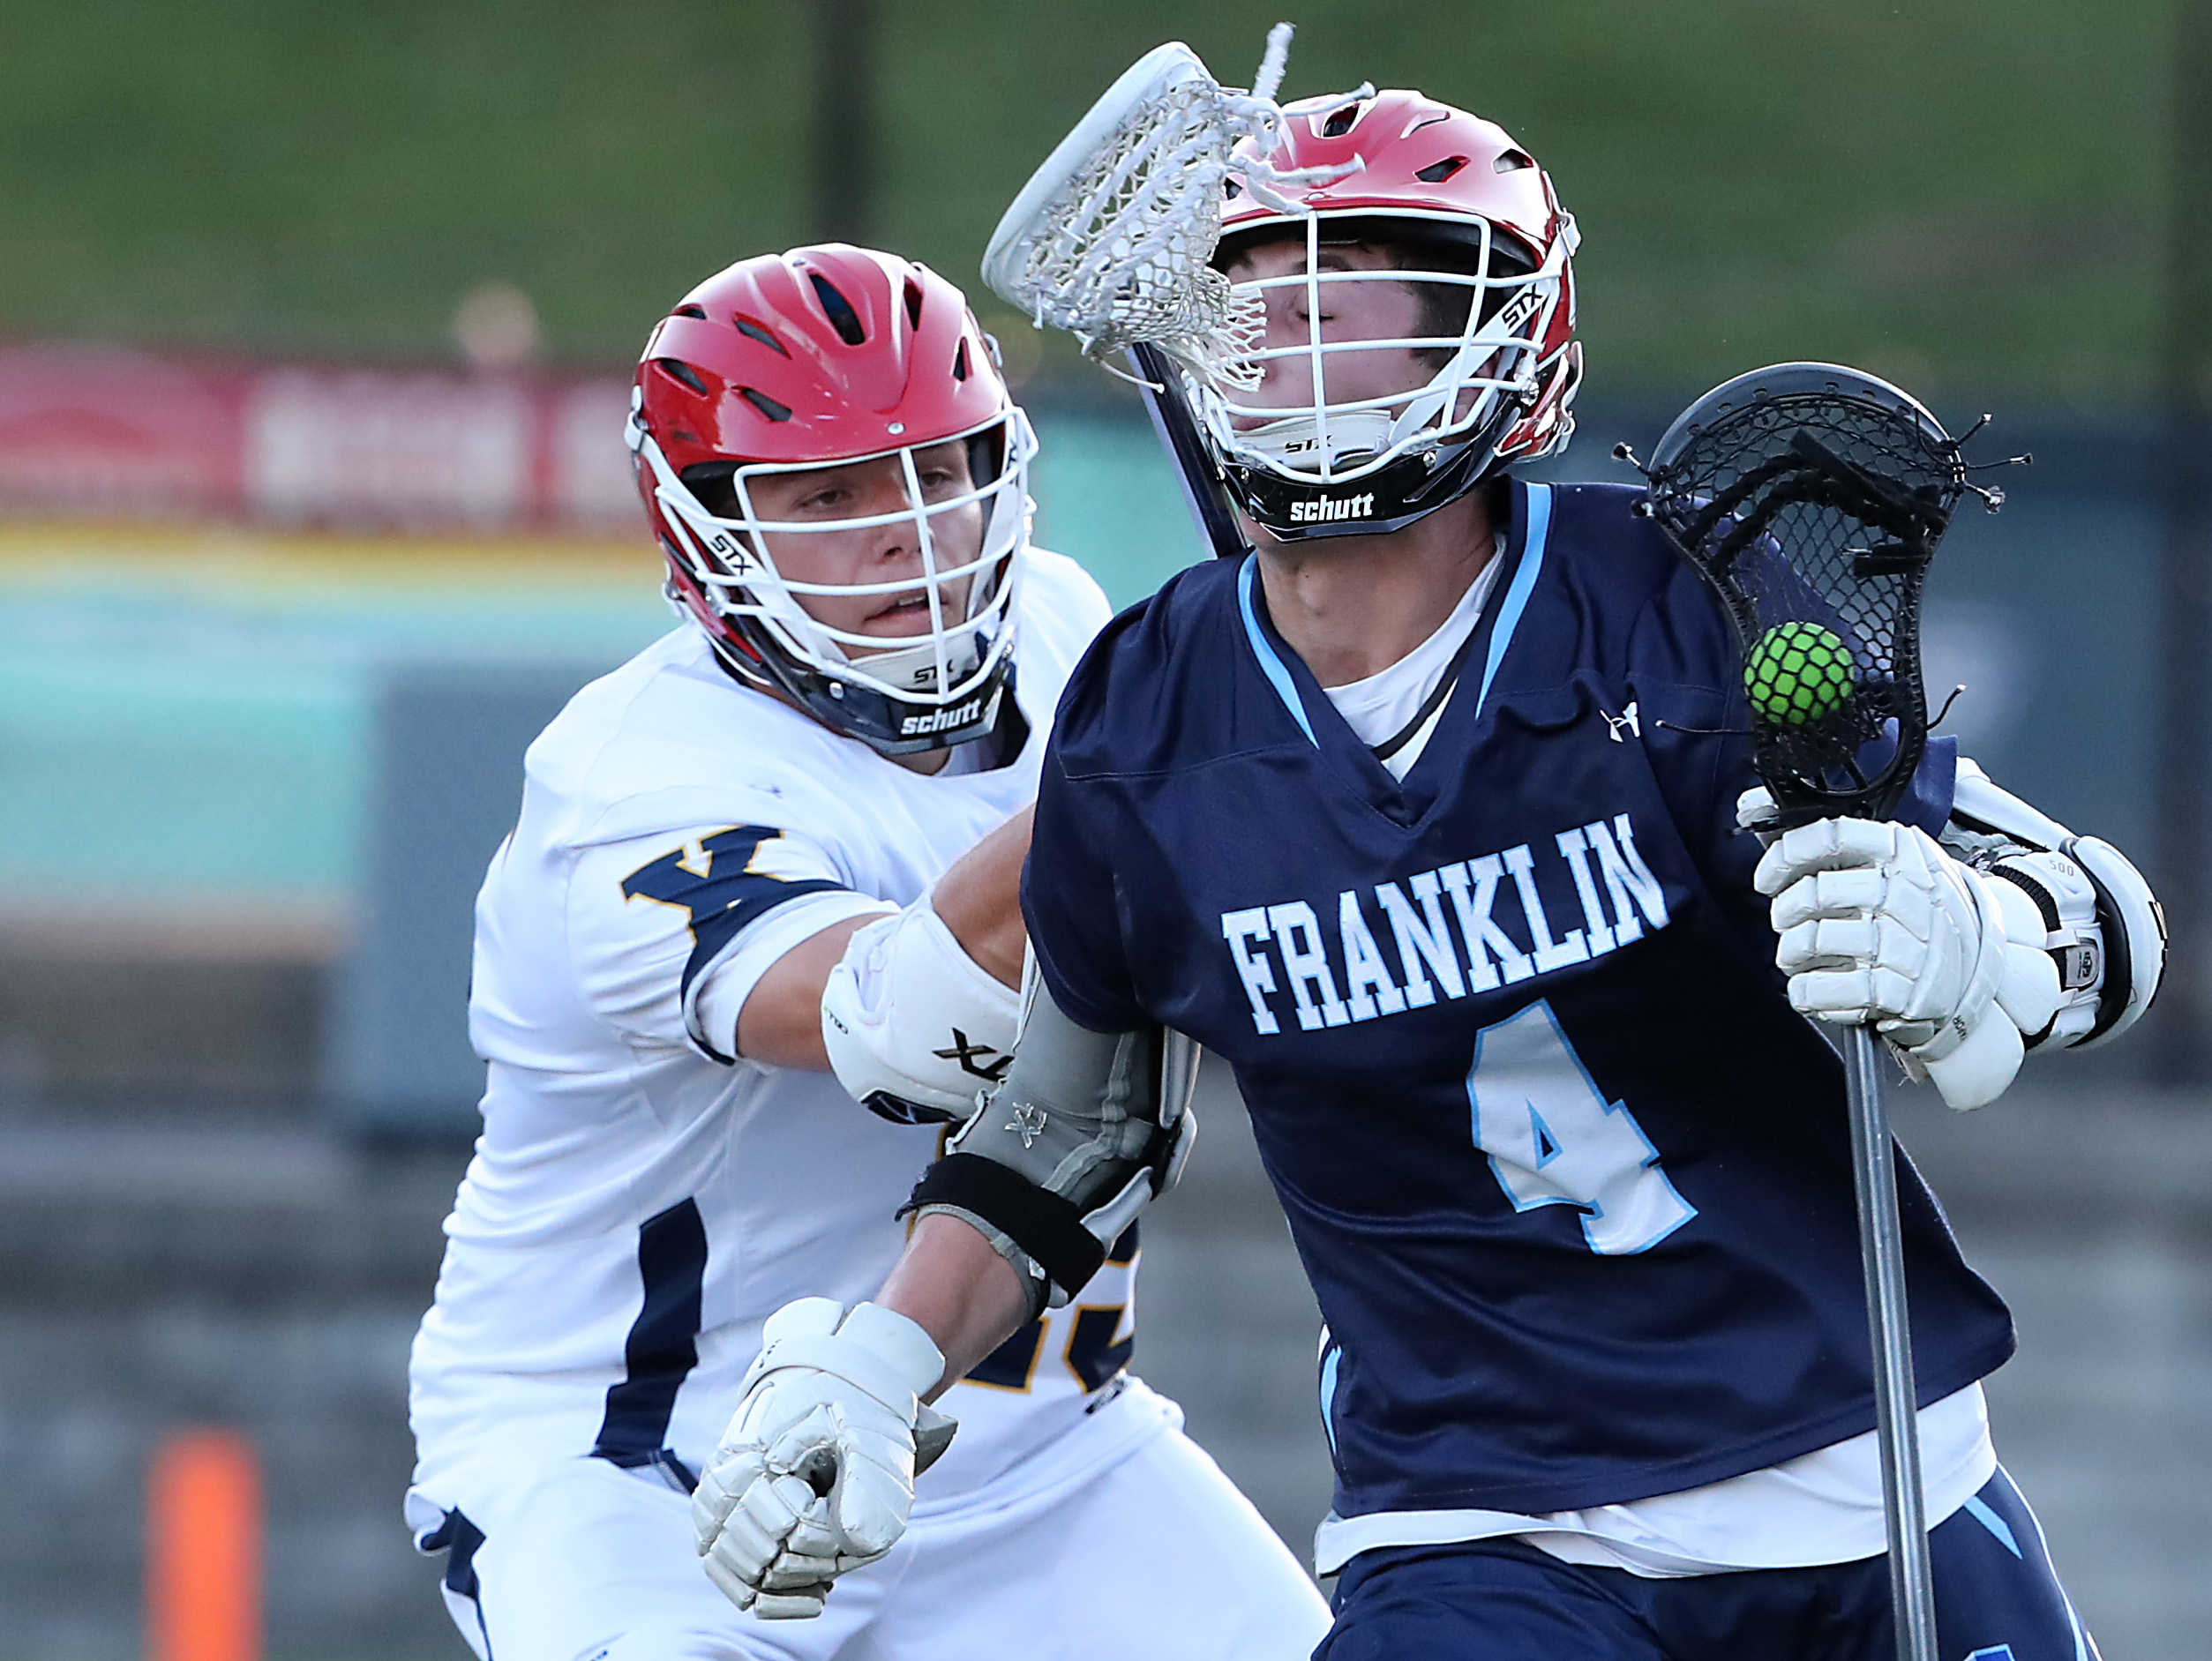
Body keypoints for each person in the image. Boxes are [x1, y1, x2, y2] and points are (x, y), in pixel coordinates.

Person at [691, 97, 2163, 1660]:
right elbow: (1071, 1129)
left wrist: (1985, 946)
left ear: (1504, 336)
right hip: (1475, 1530)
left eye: (1361, 303)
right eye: (1263, 304)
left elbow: (2098, 912)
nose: (1301, 352)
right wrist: (876, 1354)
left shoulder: (1676, 604)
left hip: (1860, 1481)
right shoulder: (1147, 710)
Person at [404, 243, 1330, 1661]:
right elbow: (912, 1029)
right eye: (828, 495)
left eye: (945, 470)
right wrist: (1181, 732)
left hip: (1041, 1451)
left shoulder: (1072, 631)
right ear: (705, 529)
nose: (912, 530)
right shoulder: (629, 785)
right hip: (657, 1475)